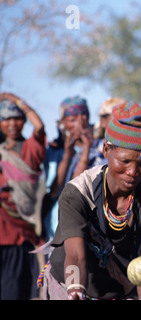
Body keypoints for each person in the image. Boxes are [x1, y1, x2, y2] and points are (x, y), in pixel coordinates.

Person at [39, 101, 141, 300]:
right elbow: (74, 256)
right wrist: (74, 290)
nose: (133, 172)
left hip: (118, 289)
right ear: (107, 150)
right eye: (125, 161)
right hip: (69, 283)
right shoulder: (78, 193)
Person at [0, 92, 46, 299]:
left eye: (17, 118)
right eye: (6, 119)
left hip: (18, 238)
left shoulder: (30, 150)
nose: (12, 124)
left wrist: (15, 98)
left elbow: (39, 127)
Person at [41, 96, 105, 241]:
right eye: (72, 120)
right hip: (58, 226)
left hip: (92, 228)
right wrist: (67, 156)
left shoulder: (101, 148)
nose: (80, 125)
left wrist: (87, 148)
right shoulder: (54, 151)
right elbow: (56, 190)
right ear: (62, 124)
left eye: (84, 118)